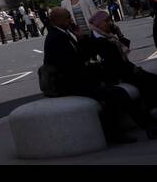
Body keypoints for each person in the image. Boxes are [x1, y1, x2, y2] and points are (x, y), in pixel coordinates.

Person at [42, 8, 155, 144]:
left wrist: (81, 38)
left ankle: (142, 126)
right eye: (67, 18)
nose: (71, 20)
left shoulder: (64, 34)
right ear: (57, 20)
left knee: (115, 92)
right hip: (69, 84)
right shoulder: (55, 38)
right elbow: (71, 65)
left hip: (77, 79)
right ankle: (137, 128)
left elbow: (81, 56)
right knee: (116, 94)